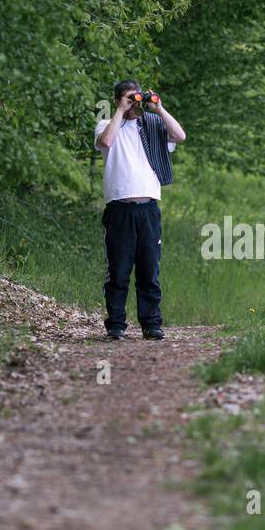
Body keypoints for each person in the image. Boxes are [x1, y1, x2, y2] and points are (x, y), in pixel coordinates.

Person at [93, 79, 186, 340]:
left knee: (149, 270)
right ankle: (116, 325)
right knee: (119, 271)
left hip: (148, 209)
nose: (135, 104)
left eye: (137, 98)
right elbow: (107, 142)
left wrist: (159, 109)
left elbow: (180, 136)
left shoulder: (152, 126)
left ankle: (151, 324)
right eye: (128, 98)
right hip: (120, 209)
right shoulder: (106, 125)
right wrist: (121, 111)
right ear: (117, 100)